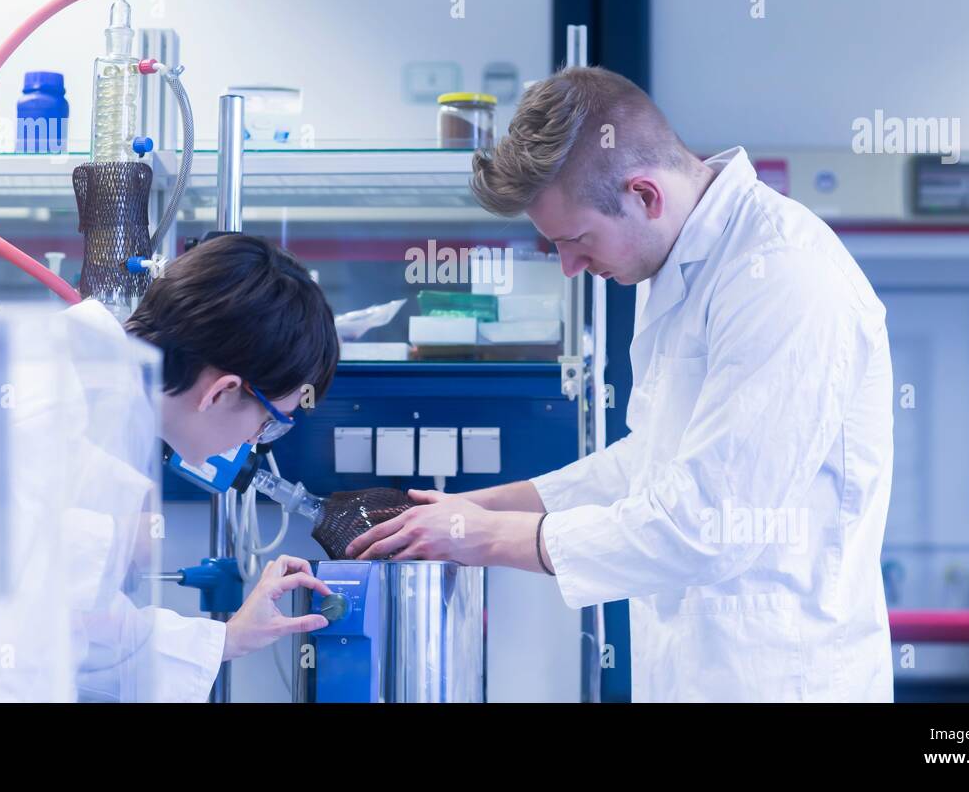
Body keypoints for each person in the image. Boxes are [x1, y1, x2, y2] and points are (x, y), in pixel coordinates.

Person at [346, 67, 895, 702]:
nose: (570, 267)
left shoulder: (784, 278)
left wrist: (482, 538)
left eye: (575, 240)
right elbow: (651, 460)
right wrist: (476, 508)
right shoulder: (675, 264)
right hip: (690, 673)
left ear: (645, 195)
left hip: (779, 680)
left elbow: (708, 524)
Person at [0, 234, 338, 702]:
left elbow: (70, 627)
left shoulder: (105, 399)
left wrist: (227, 639)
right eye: (268, 426)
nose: (254, 443)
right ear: (221, 392)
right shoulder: (54, 411)